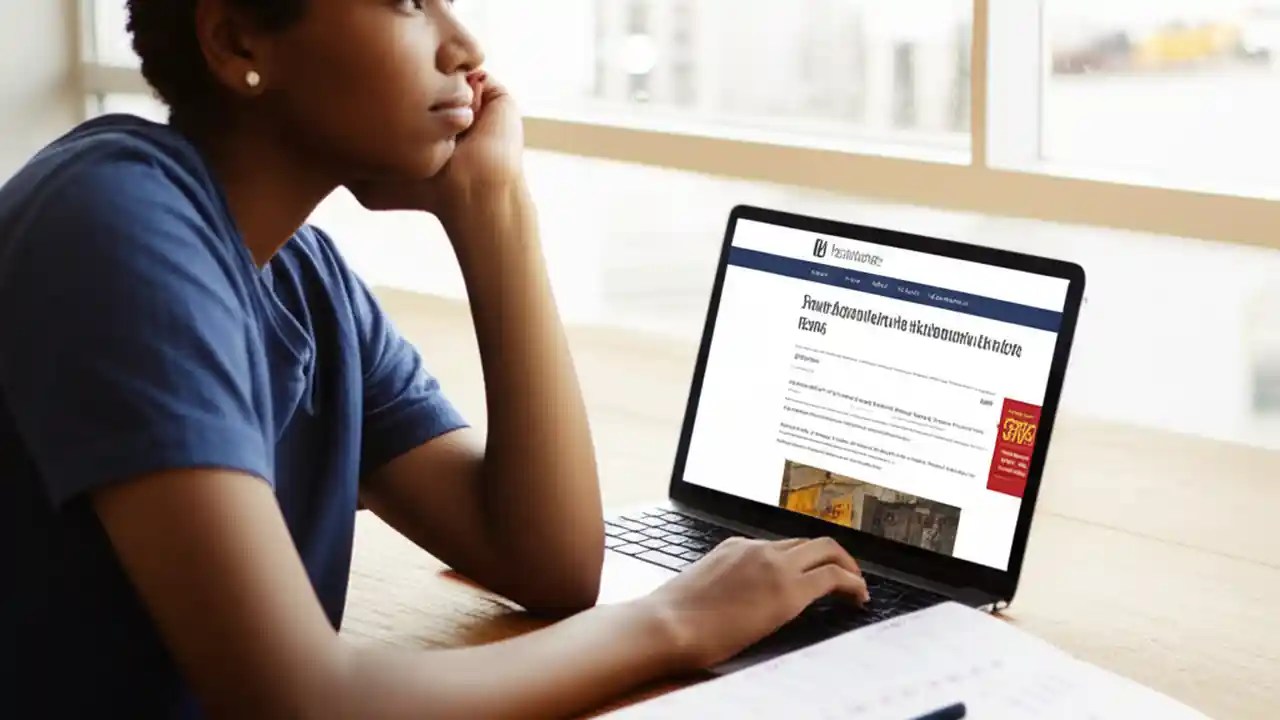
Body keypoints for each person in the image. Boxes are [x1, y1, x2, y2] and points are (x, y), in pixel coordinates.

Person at [0, 1, 870, 717]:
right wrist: (673, 620)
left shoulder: (303, 280)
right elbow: (300, 702)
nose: (465, 46)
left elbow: (549, 563)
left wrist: (493, 208)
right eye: (410, 4)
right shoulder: (112, 225)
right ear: (236, 40)